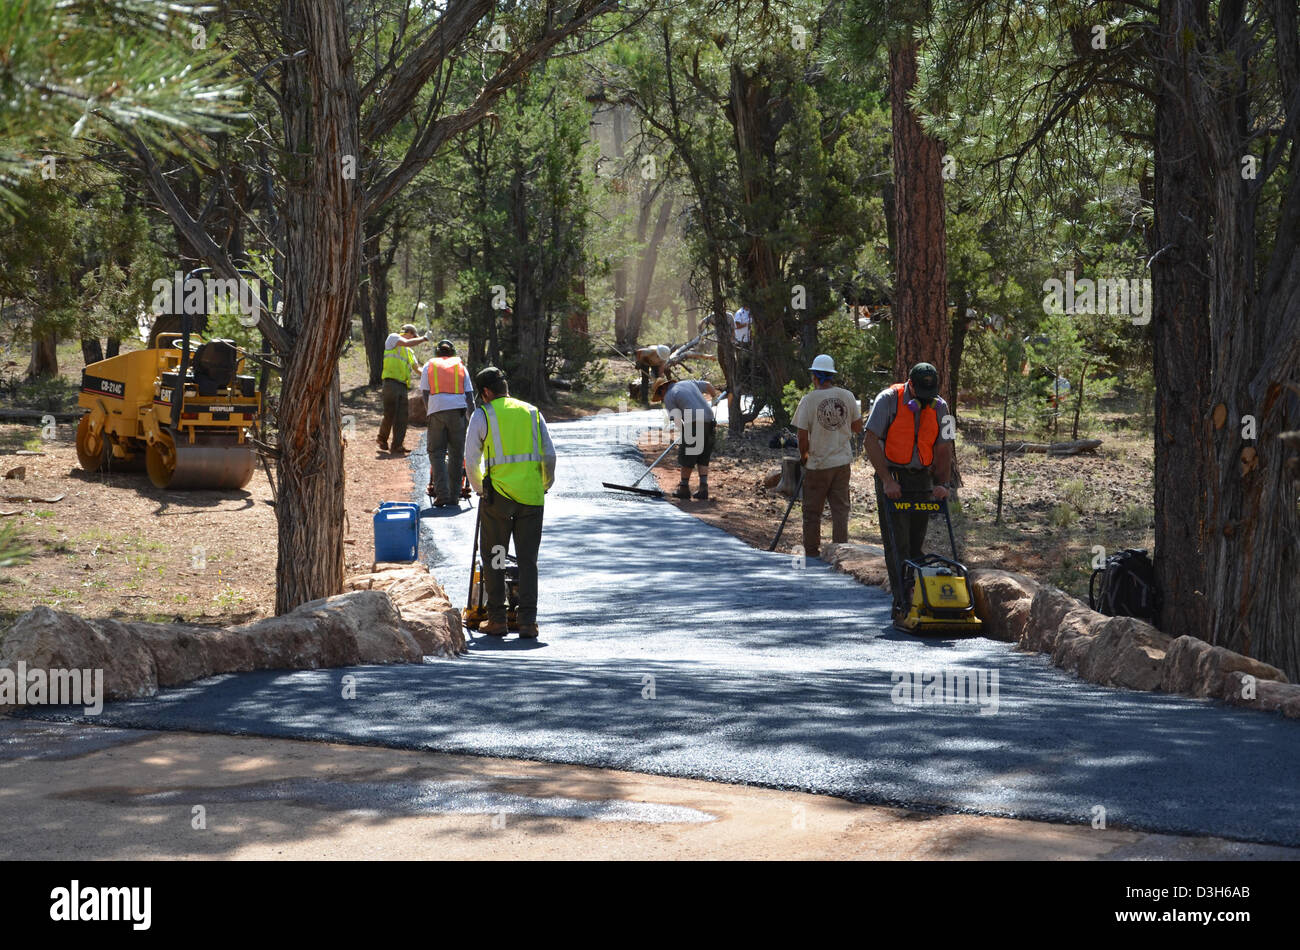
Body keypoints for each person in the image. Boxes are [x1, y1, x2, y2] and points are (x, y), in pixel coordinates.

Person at [464, 366, 556, 639]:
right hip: (531, 497)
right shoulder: (531, 412)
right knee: (528, 561)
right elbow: (549, 455)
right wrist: (544, 484)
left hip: (498, 499)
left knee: (495, 557)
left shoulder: (483, 415)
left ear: (486, 392)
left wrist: (481, 489)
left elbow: (470, 460)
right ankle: (527, 622)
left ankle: (497, 619)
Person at [862, 362, 954, 610]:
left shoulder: (942, 407)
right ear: (910, 384)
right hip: (893, 476)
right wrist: (887, 481)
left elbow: (945, 447)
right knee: (897, 542)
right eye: (920, 395)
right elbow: (869, 441)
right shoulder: (887, 400)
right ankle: (902, 599)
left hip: (922, 478)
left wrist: (943, 483)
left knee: (916, 541)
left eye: (930, 395)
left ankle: (920, 595)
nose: (925, 401)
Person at [792, 354, 863, 558]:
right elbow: (858, 427)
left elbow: (802, 436)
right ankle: (840, 553)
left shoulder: (809, 400)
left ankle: (812, 553)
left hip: (818, 464)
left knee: (812, 512)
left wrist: (804, 457)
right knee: (840, 510)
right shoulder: (847, 396)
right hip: (841, 463)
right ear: (831, 376)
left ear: (815, 377)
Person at [419, 340, 475, 507]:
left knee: (437, 453)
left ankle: (442, 495)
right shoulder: (461, 367)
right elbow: (470, 398)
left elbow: (425, 394)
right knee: (456, 454)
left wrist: (430, 412)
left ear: (437, 353)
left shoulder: (429, 366)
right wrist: (471, 420)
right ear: (453, 353)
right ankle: (454, 495)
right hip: (458, 412)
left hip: (436, 411)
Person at [652, 376, 722, 500]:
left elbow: (678, 421)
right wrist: (715, 397)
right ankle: (703, 489)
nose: (662, 399)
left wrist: (686, 433)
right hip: (710, 422)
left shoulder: (669, 396)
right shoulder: (689, 383)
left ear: (662, 389)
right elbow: (708, 385)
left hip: (694, 422)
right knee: (703, 457)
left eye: (659, 395)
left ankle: (684, 489)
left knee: (687, 457)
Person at [379, 323, 428, 454]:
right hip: (390, 382)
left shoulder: (410, 352)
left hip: (402, 385)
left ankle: (397, 445)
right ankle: (382, 439)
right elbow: (408, 343)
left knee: (402, 417)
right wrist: (423, 339)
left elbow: (417, 369)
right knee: (389, 413)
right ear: (408, 333)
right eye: (413, 336)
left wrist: (431, 373)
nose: (414, 338)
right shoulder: (393, 338)